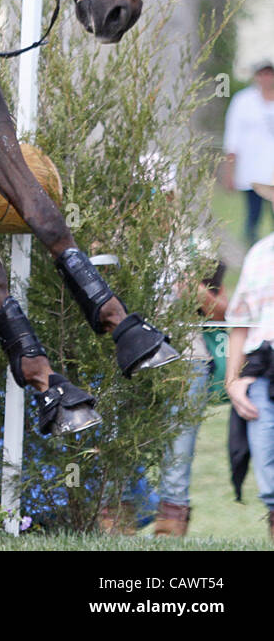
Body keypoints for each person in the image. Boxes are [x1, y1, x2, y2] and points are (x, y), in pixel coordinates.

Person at [153, 259, 228, 536]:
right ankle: (115, 527)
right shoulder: (108, 240)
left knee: (178, 457)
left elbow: (221, 313)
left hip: (188, 358)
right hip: (127, 357)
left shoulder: (194, 247)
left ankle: (169, 533)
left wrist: (192, 288)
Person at [226, 177, 274, 540]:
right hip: (262, 375)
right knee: (270, 486)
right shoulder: (261, 253)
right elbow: (239, 323)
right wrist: (233, 381)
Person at [222, 61, 274, 247]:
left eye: (270, 74)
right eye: (263, 74)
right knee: (253, 217)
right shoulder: (243, 101)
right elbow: (232, 138)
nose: (267, 79)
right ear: (256, 77)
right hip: (252, 171)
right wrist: (229, 171)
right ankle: (252, 253)